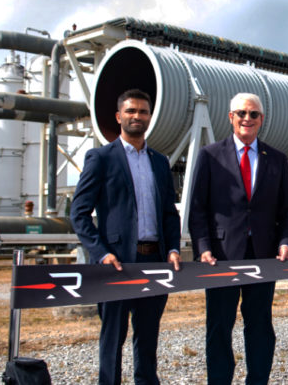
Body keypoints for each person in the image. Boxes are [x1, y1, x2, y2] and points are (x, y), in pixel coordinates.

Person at [70, 89, 181, 385]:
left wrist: (172, 248)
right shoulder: (101, 158)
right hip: (115, 264)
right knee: (112, 338)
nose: (137, 116)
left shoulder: (159, 161)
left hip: (154, 261)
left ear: (149, 117)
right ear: (119, 117)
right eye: (131, 111)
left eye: (143, 112)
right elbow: (79, 213)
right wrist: (101, 253)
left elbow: (170, 213)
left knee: (147, 338)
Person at [188, 92, 288, 385]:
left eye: (253, 114)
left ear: (261, 120)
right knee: (219, 327)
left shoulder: (276, 159)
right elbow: (198, 208)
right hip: (221, 258)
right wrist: (203, 248)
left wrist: (286, 242)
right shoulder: (210, 155)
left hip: (264, 256)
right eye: (241, 113)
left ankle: (257, 380)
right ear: (230, 117)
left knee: (260, 325)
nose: (246, 119)